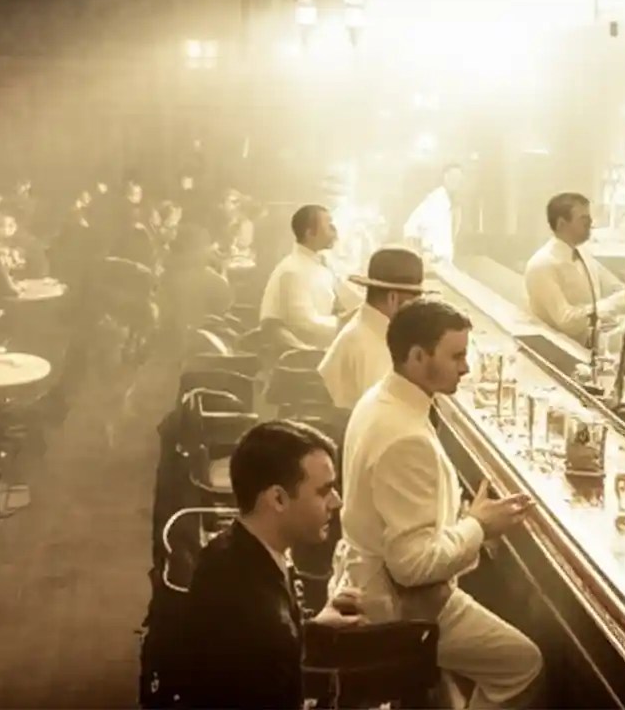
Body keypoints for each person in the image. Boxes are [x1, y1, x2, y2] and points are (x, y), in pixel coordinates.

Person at [332, 297, 542, 708]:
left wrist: (463, 519)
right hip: (396, 607)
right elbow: (411, 567)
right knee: (523, 666)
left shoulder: (381, 396)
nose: (466, 367)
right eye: (456, 356)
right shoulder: (406, 436)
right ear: (416, 356)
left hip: (364, 578)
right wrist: (478, 526)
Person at [184, 420, 365, 710]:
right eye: (324, 491)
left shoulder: (236, 550)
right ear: (278, 499)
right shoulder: (259, 616)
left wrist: (311, 629)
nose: (337, 502)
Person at [524, 192, 625, 347]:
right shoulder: (542, 265)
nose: (591, 223)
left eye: (590, 218)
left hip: (591, 349)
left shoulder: (583, 254)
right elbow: (567, 321)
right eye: (584, 219)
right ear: (561, 224)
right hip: (560, 354)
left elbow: (612, 287)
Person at [318, 246, 426, 410]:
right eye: (415, 299)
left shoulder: (367, 328)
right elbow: (387, 415)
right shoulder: (373, 348)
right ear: (393, 298)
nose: (419, 307)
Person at [259, 205, 341, 347]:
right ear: (310, 234)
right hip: (298, 358)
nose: (335, 232)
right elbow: (305, 323)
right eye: (329, 226)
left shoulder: (322, 266)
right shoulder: (292, 270)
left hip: (320, 350)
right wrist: (343, 324)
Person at [403, 162, 463, 263]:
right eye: (453, 177)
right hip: (433, 260)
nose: (456, 181)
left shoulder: (454, 203)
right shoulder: (433, 200)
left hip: (446, 261)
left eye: (458, 178)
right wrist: (422, 251)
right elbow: (410, 227)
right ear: (445, 177)